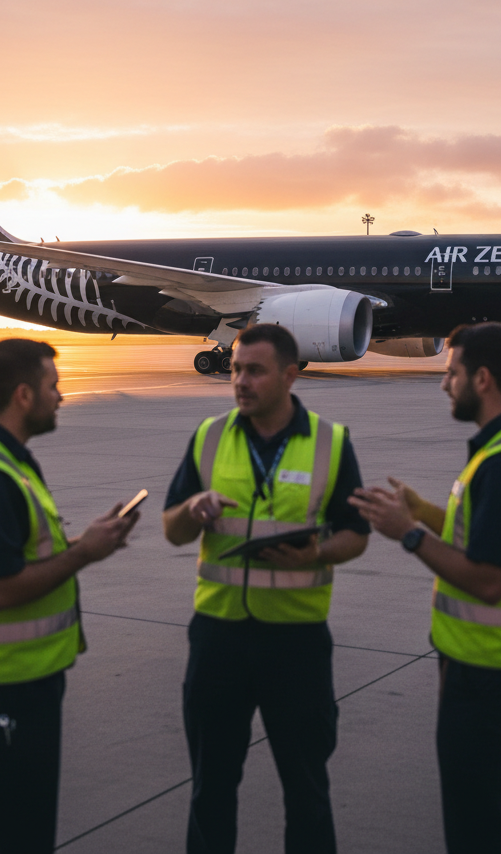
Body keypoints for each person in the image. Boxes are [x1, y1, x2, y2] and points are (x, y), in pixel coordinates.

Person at [350, 322, 501, 854]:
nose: (444, 384)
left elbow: (490, 579)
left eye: (452, 373)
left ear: (483, 379)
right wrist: (425, 512)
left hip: (491, 671)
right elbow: (490, 539)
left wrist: (409, 534)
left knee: (482, 827)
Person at [162, 323, 370, 854]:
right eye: (236, 370)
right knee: (210, 788)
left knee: (306, 790)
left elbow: (355, 535)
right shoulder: (209, 437)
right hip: (218, 640)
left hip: (295, 643)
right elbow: (173, 531)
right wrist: (192, 508)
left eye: (254, 370)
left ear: (290, 375)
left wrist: (318, 552)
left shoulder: (331, 442)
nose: (241, 381)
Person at [0, 338, 138, 854]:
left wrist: (81, 540)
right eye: (54, 386)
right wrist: (83, 555)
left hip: (15, 677)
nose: (62, 396)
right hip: (4, 682)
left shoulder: (6, 460)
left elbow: (16, 554)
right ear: (24, 395)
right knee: (14, 831)